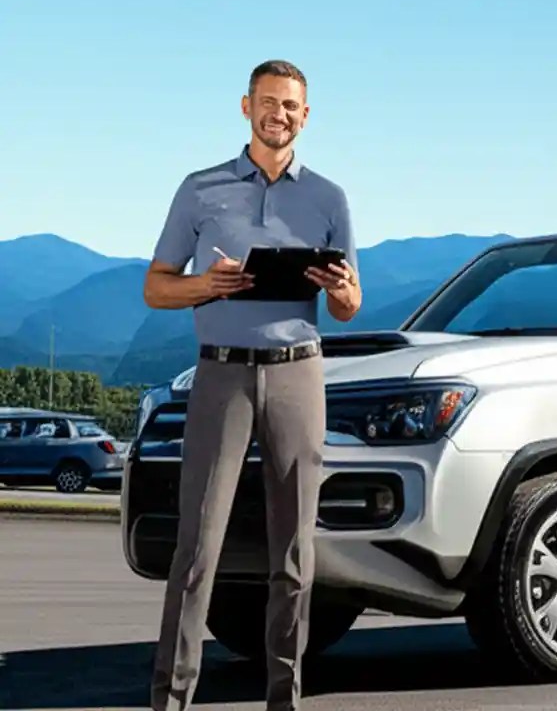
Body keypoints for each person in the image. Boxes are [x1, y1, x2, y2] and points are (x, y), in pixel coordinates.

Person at [142, 59, 361, 711]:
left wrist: (345, 291)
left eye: (291, 105)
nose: (280, 114)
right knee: (197, 549)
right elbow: (156, 286)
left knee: (294, 553)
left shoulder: (329, 198)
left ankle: (283, 700)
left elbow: (349, 305)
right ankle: (170, 702)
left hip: (300, 373)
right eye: (269, 102)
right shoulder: (200, 190)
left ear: (306, 114)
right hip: (221, 374)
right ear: (246, 107)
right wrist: (206, 286)